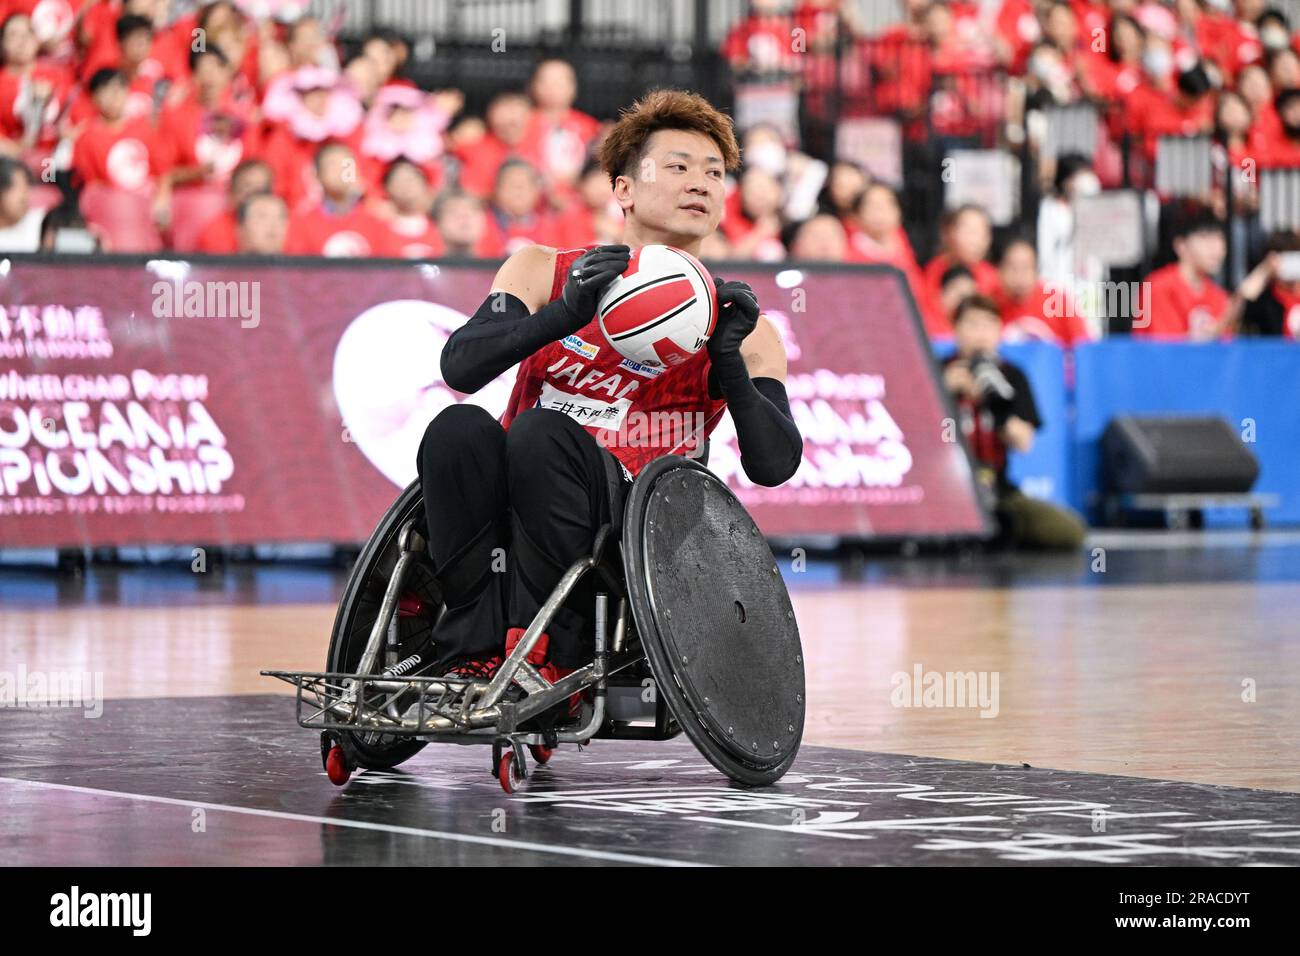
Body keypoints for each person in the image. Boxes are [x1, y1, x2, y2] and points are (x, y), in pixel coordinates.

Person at [416, 89, 802, 712]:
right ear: (623, 189)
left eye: (713, 173)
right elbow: (460, 367)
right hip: (514, 493)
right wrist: (564, 313)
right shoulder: (542, 268)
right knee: (457, 428)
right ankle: (474, 640)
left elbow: (774, 465)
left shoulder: (746, 326)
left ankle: (552, 649)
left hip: (635, 526)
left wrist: (728, 365)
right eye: (677, 167)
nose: (700, 182)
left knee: (543, 433)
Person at [941, 295, 1085, 550]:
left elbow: (1023, 441)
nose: (980, 334)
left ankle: (995, 530)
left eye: (988, 324)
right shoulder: (938, 371)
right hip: (946, 489)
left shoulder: (1011, 376)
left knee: (1068, 531)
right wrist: (943, 393)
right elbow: (918, 440)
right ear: (956, 329)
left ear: (999, 330)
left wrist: (993, 400)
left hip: (997, 489)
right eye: (972, 324)